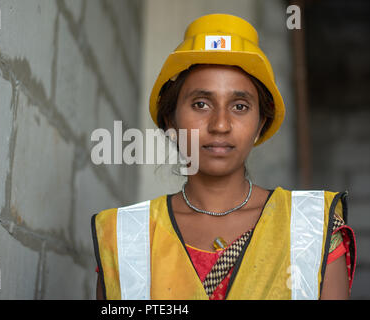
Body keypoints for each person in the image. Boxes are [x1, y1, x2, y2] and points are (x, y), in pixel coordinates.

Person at [91, 14, 356, 300]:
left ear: (260, 126)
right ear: (171, 121)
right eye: (201, 104)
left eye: (240, 106)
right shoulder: (124, 235)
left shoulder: (313, 226)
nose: (220, 124)